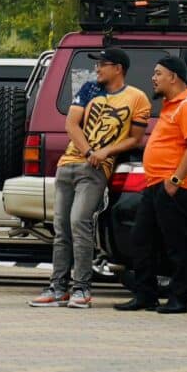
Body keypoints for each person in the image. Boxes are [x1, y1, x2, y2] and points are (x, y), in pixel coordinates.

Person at [30, 48, 150, 309]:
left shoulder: (137, 98)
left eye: (103, 65)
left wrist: (105, 152)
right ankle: (58, 287)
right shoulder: (88, 89)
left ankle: (82, 288)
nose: (97, 69)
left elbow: (135, 138)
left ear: (118, 68)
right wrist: (88, 151)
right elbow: (71, 124)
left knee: (79, 222)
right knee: (61, 228)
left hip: (96, 170)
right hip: (69, 164)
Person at [117, 56, 187, 315]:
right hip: (154, 184)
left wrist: (175, 180)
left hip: (173, 186)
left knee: (178, 245)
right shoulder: (170, 106)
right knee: (141, 239)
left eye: (158, 74)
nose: (153, 78)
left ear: (173, 77)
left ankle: (180, 299)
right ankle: (145, 295)